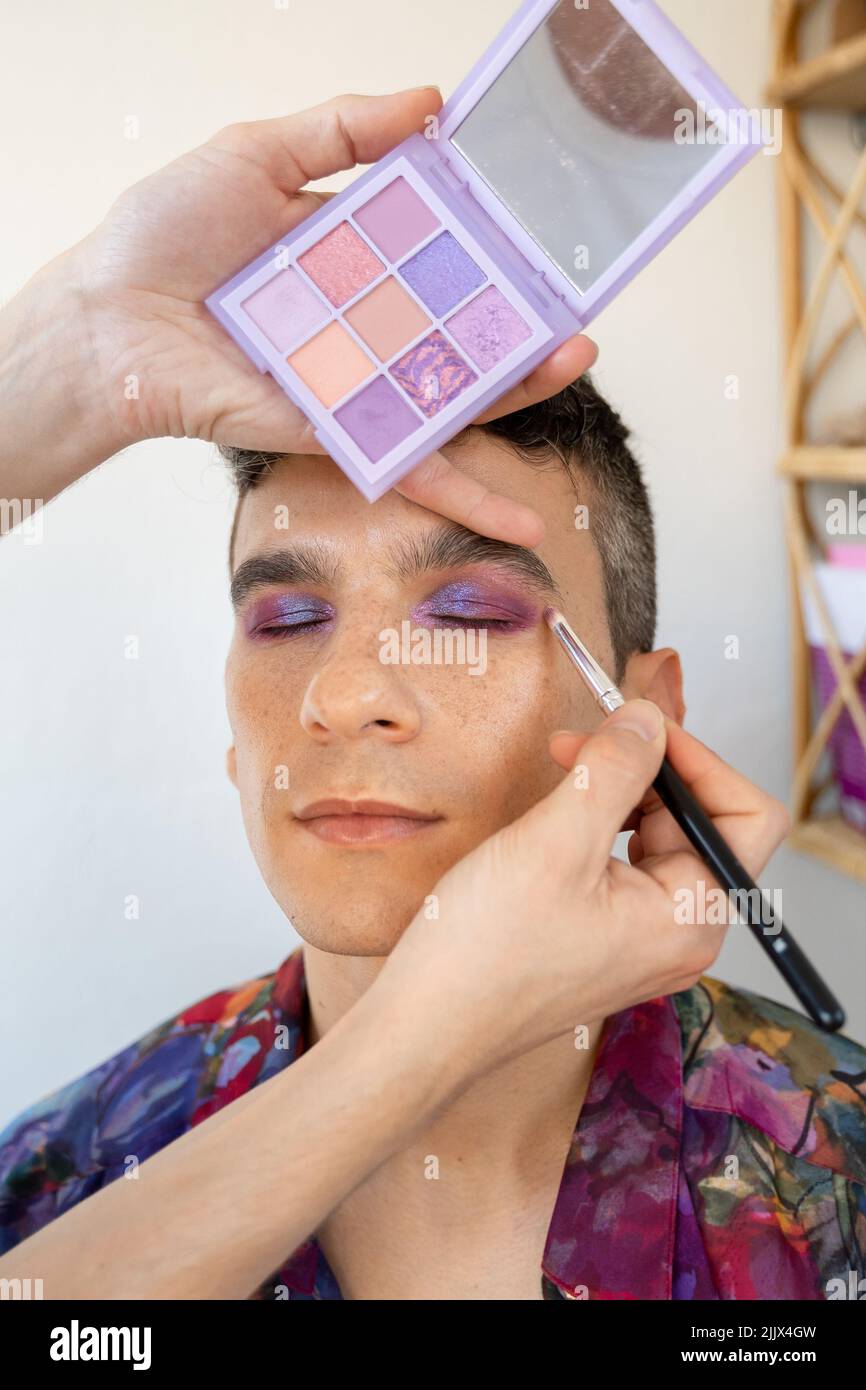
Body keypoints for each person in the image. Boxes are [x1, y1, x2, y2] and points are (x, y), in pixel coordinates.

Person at [1, 93, 864, 1302]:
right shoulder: (53, 1188)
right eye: (288, 619)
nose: (344, 696)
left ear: (645, 719)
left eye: (466, 616)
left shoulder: (836, 1188)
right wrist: (81, 350)